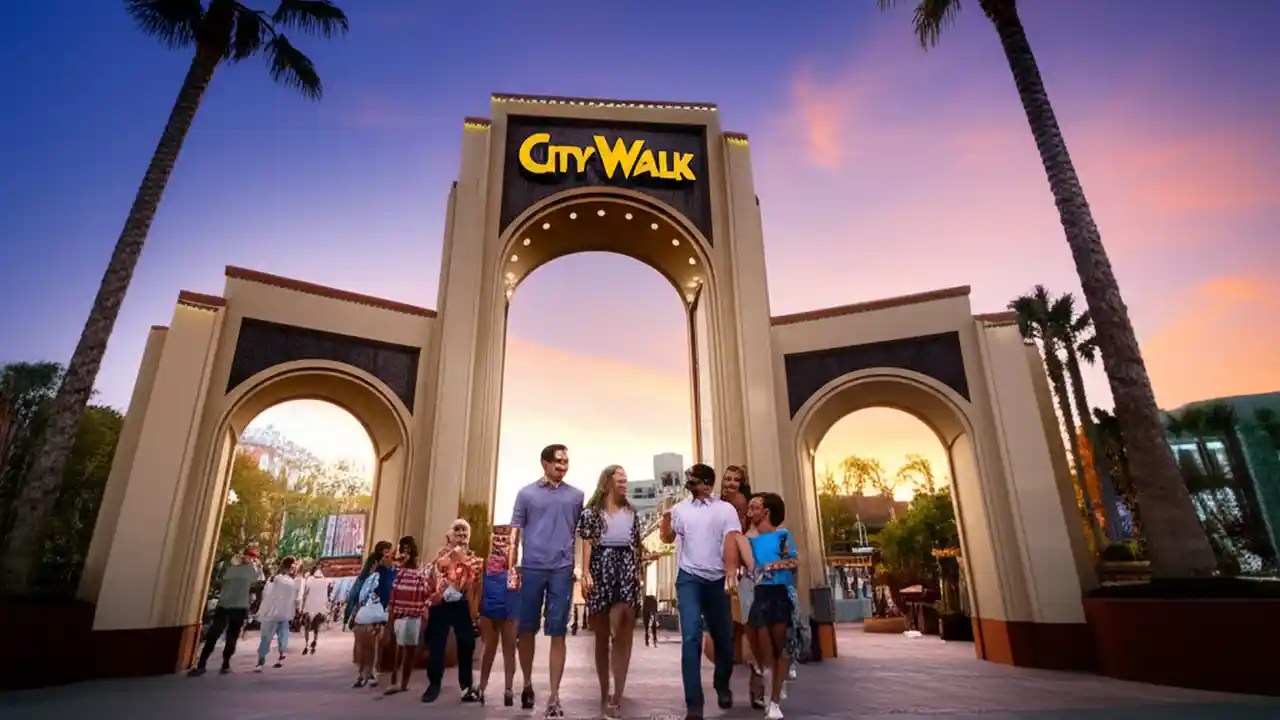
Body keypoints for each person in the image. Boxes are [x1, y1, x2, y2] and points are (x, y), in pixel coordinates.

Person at [659, 463, 751, 720]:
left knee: (724, 639)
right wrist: (665, 520)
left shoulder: (725, 510)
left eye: (695, 481)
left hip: (716, 580)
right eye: (688, 480)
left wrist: (731, 571)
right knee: (691, 638)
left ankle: (722, 684)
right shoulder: (680, 509)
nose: (690, 484)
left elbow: (732, 539)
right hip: (689, 579)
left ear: (708, 484)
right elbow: (666, 539)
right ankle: (694, 705)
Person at [511, 443, 584, 719]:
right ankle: (527, 684)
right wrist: (510, 568)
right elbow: (515, 532)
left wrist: (578, 567)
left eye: (566, 462)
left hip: (562, 570)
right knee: (526, 630)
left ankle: (554, 695)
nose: (562, 466)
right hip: (530, 568)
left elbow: (581, 533)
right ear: (544, 463)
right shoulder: (526, 494)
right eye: (557, 462)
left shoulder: (576, 496)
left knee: (558, 632)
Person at [577, 464, 644, 720]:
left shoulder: (631, 512)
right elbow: (586, 542)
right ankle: (605, 693)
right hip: (601, 566)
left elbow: (636, 545)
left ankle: (618, 693)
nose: (624, 484)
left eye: (626, 480)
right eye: (620, 480)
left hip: (625, 567)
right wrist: (586, 573)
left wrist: (637, 573)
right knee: (602, 634)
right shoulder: (592, 513)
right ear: (607, 482)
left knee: (623, 631)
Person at [745, 492, 800, 720]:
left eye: (754, 507)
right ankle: (770, 691)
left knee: (781, 648)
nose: (750, 510)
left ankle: (775, 701)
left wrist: (771, 566)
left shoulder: (782, 536)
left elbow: (794, 560)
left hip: (779, 593)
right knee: (764, 650)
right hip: (759, 596)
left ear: (765, 512)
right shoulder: (748, 539)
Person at [720, 464, 766, 708]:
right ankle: (724, 685)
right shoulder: (716, 508)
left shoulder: (749, 510)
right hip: (722, 578)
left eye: (736, 480)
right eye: (727, 479)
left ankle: (756, 688)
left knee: (750, 632)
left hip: (745, 579)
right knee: (726, 634)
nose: (730, 484)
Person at [422, 519, 482, 704]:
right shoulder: (441, 553)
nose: (461, 535)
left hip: (461, 605)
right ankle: (433, 685)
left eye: (465, 532)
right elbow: (435, 569)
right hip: (441, 604)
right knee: (437, 645)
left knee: (466, 645)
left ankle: (466, 687)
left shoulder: (473, 557)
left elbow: (476, 584)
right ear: (449, 534)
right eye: (457, 531)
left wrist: (475, 612)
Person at [188, 544, 263, 676]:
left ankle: (219, 663)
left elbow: (222, 581)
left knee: (227, 635)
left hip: (234, 606)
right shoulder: (242, 569)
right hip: (229, 605)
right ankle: (207, 663)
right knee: (218, 634)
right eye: (250, 555)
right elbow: (256, 585)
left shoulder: (241, 569)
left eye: (253, 556)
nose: (251, 558)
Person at [477, 525, 520, 707]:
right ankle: (506, 689)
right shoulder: (511, 570)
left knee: (492, 649)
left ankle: (483, 687)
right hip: (502, 609)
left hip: (492, 608)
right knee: (505, 649)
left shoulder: (486, 566)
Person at [385, 538, 430, 696]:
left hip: (403, 614)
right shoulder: (417, 574)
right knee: (407, 648)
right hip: (410, 614)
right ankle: (401, 682)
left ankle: (397, 680)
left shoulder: (402, 573)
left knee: (402, 646)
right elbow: (426, 593)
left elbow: (393, 594)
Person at [351, 543, 395, 688]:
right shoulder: (375, 572)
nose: (389, 555)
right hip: (369, 612)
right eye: (386, 552)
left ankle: (369, 673)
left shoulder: (389, 572)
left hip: (377, 612)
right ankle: (364, 672)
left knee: (373, 644)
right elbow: (359, 592)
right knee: (364, 644)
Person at [255, 556, 302, 672]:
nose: (295, 567)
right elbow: (295, 598)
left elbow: (266, 595)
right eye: (294, 565)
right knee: (279, 636)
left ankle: (263, 661)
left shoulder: (276, 578)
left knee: (271, 637)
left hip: (277, 612)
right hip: (278, 612)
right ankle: (274, 658)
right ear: (289, 566)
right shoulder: (283, 580)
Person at [300, 566, 330, 656]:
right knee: (316, 626)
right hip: (320, 607)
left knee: (307, 626)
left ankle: (306, 644)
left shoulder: (309, 580)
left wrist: (302, 607)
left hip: (309, 606)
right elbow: (326, 596)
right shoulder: (325, 581)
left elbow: (305, 594)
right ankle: (315, 640)